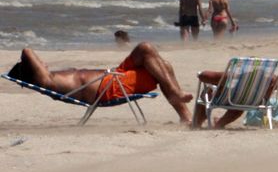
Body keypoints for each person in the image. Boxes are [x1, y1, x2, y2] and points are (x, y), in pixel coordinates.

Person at [8, 44, 193, 124]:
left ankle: (185, 114)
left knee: (157, 60)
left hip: (114, 76)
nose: (44, 63)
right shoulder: (45, 80)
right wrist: (30, 65)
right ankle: (179, 100)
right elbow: (27, 50)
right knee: (150, 53)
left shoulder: (51, 77)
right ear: (33, 71)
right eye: (40, 64)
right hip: (110, 87)